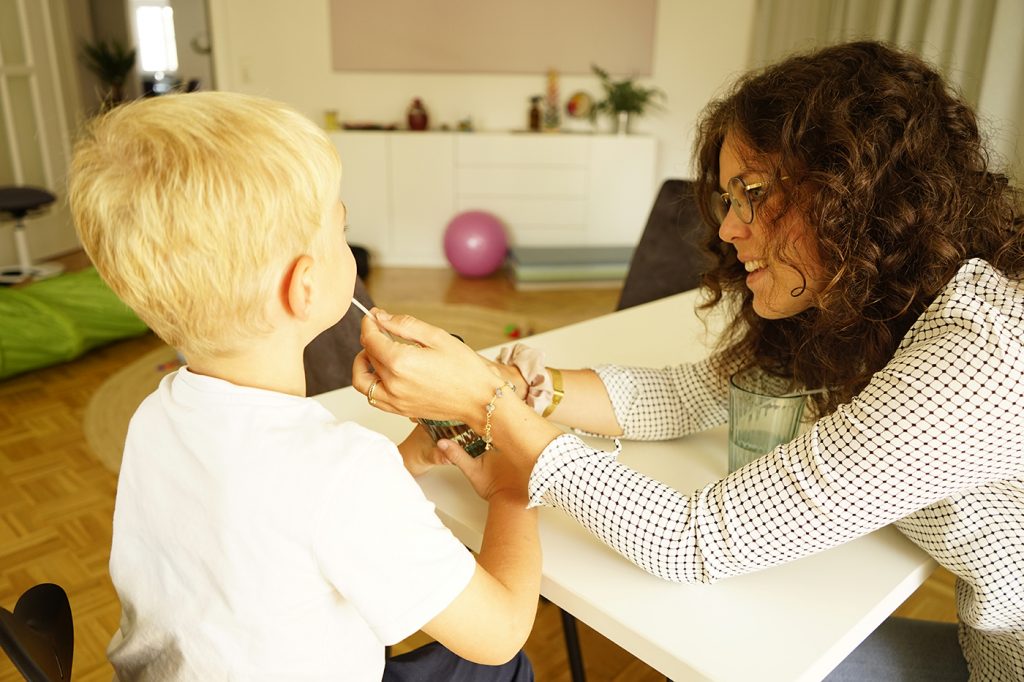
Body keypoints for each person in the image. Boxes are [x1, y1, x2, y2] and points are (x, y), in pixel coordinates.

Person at [352, 41, 1024, 681]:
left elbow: (691, 540)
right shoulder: (872, 303)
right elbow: (687, 396)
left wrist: (484, 405)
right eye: (729, 200)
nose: (730, 228)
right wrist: (531, 389)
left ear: (853, 187)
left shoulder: (976, 355)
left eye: (754, 194)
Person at [68, 92, 539, 681]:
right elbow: (499, 633)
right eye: (343, 231)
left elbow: (270, 524)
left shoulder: (156, 417)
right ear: (306, 287)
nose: (350, 247)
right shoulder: (342, 473)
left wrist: (405, 461)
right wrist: (515, 490)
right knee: (506, 670)